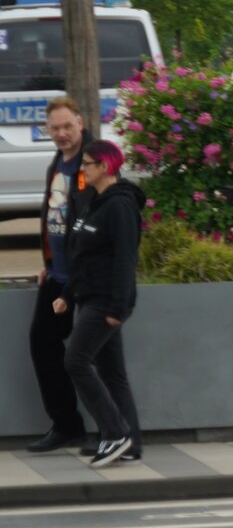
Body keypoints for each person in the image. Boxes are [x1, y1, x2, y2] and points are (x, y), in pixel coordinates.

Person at [55, 140, 146, 468]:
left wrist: (119, 309)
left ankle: (116, 432)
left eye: (88, 164)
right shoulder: (94, 201)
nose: (82, 170)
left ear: (105, 167)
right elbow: (84, 256)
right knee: (112, 371)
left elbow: (125, 260)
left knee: (76, 362)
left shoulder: (120, 206)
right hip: (88, 296)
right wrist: (67, 295)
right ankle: (130, 442)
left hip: (106, 302)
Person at [24, 98, 91, 454]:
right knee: (43, 344)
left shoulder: (94, 159)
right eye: (55, 129)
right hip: (58, 274)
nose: (62, 134)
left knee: (96, 358)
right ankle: (67, 425)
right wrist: (48, 261)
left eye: (67, 126)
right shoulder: (58, 162)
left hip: (86, 278)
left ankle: (115, 430)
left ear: (80, 122)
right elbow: (55, 214)